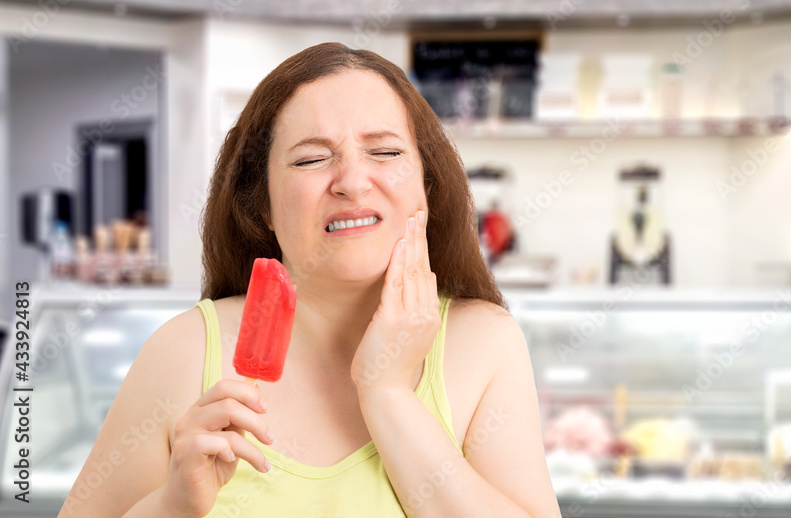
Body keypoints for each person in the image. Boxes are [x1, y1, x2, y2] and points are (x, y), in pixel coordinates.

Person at [59, 42, 560, 517]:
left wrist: (385, 391)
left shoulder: (485, 343)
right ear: (263, 206)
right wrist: (172, 506)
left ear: (426, 184)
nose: (353, 182)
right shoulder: (182, 353)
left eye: (384, 152)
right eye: (312, 159)